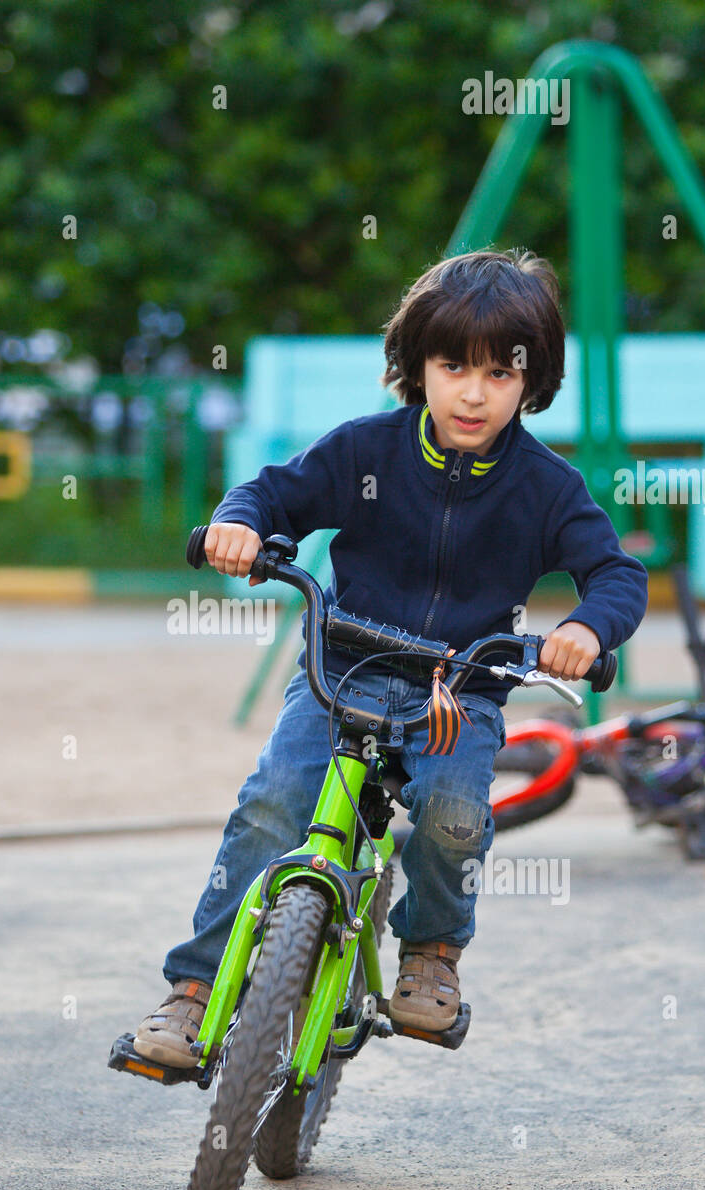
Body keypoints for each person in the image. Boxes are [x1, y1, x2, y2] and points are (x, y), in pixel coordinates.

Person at [133, 248, 648, 1068]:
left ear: (533, 381)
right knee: (272, 804)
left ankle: (430, 955)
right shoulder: (364, 451)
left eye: (500, 374)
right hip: (343, 669)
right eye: (452, 367)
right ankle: (193, 993)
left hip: (461, 690)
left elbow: (617, 573)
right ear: (417, 366)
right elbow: (270, 495)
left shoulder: (546, 489)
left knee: (452, 814)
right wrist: (239, 526)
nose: (474, 393)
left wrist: (588, 628)